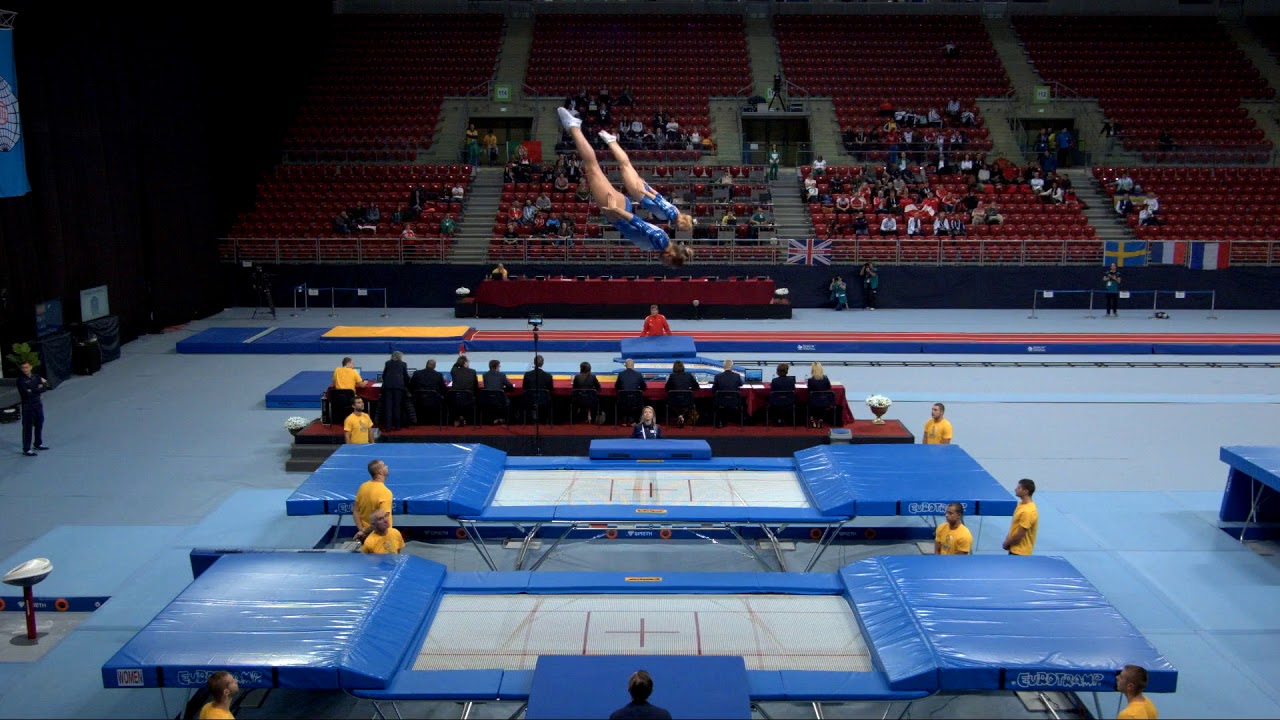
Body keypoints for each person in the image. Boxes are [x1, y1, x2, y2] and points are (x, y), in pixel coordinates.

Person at [557, 107, 694, 265]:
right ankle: (574, 126)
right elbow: (638, 222)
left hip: (620, 214)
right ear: (670, 256)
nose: (664, 263)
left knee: (594, 170)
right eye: (667, 263)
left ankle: (584, 131)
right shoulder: (661, 241)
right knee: (592, 169)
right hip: (619, 212)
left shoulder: (660, 244)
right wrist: (616, 210)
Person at [351, 459, 392, 542]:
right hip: (381, 537)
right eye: (384, 465)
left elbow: (355, 511)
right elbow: (382, 521)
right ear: (380, 472)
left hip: (365, 537)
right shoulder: (385, 492)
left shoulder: (363, 486)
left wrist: (361, 530)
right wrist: (364, 532)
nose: (387, 466)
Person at [16, 361, 50, 456]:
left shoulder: (36, 377)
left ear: (30, 367)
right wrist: (38, 389)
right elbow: (25, 393)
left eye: (27, 367)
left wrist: (33, 390)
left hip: (38, 405)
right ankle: (26, 449)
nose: (25, 369)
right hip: (28, 407)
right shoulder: (20, 380)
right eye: (23, 368)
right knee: (27, 428)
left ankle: (38, 444)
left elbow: (45, 387)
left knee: (39, 424)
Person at [1002, 479, 1039, 556]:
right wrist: (1007, 539)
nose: (1015, 489)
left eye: (1019, 488)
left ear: (1026, 491)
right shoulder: (1021, 504)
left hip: (1021, 552)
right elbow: (1014, 526)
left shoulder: (1028, 511)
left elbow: (1019, 535)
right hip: (1014, 549)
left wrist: (1006, 543)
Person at [381, 351, 410, 432]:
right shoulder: (403, 364)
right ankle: (397, 426)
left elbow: (384, 375)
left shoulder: (387, 363)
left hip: (387, 387)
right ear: (400, 357)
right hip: (398, 387)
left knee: (388, 407)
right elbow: (406, 376)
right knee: (397, 406)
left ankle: (388, 427)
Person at [664, 360, 698, 428]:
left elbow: (667, 388)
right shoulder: (689, 375)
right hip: (688, 401)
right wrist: (689, 389)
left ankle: (680, 416)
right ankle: (681, 416)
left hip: (674, 401)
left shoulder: (672, 376)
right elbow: (696, 386)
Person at [711, 359, 743, 429]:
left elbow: (713, 390)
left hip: (721, 401)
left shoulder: (718, 376)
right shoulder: (736, 376)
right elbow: (741, 384)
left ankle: (718, 422)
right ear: (732, 367)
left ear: (723, 367)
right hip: (734, 401)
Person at [449, 355, 478, 427]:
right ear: (465, 363)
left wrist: (459, 361)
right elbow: (476, 386)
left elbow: (454, 366)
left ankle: (458, 418)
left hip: (455, 399)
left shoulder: (454, 371)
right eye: (468, 362)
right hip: (468, 398)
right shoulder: (472, 372)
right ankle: (466, 419)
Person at [482, 359, 514, 424]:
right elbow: (510, 386)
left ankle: (494, 418)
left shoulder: (485, 375)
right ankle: (503, 418)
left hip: (488, 399)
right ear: (496, 367)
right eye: (499, 366)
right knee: (509, 400)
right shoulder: (501, 375)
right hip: (500, 399)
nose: (499, 368)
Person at [807, 361, 832, 428]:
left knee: (810, 401)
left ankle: (812, 419)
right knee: (821, 401)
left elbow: (809, 391)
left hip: (813, 402)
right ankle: (821, 419)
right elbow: (829, 388)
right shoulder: (826, 379)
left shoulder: (810, 380)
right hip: (824, 401)